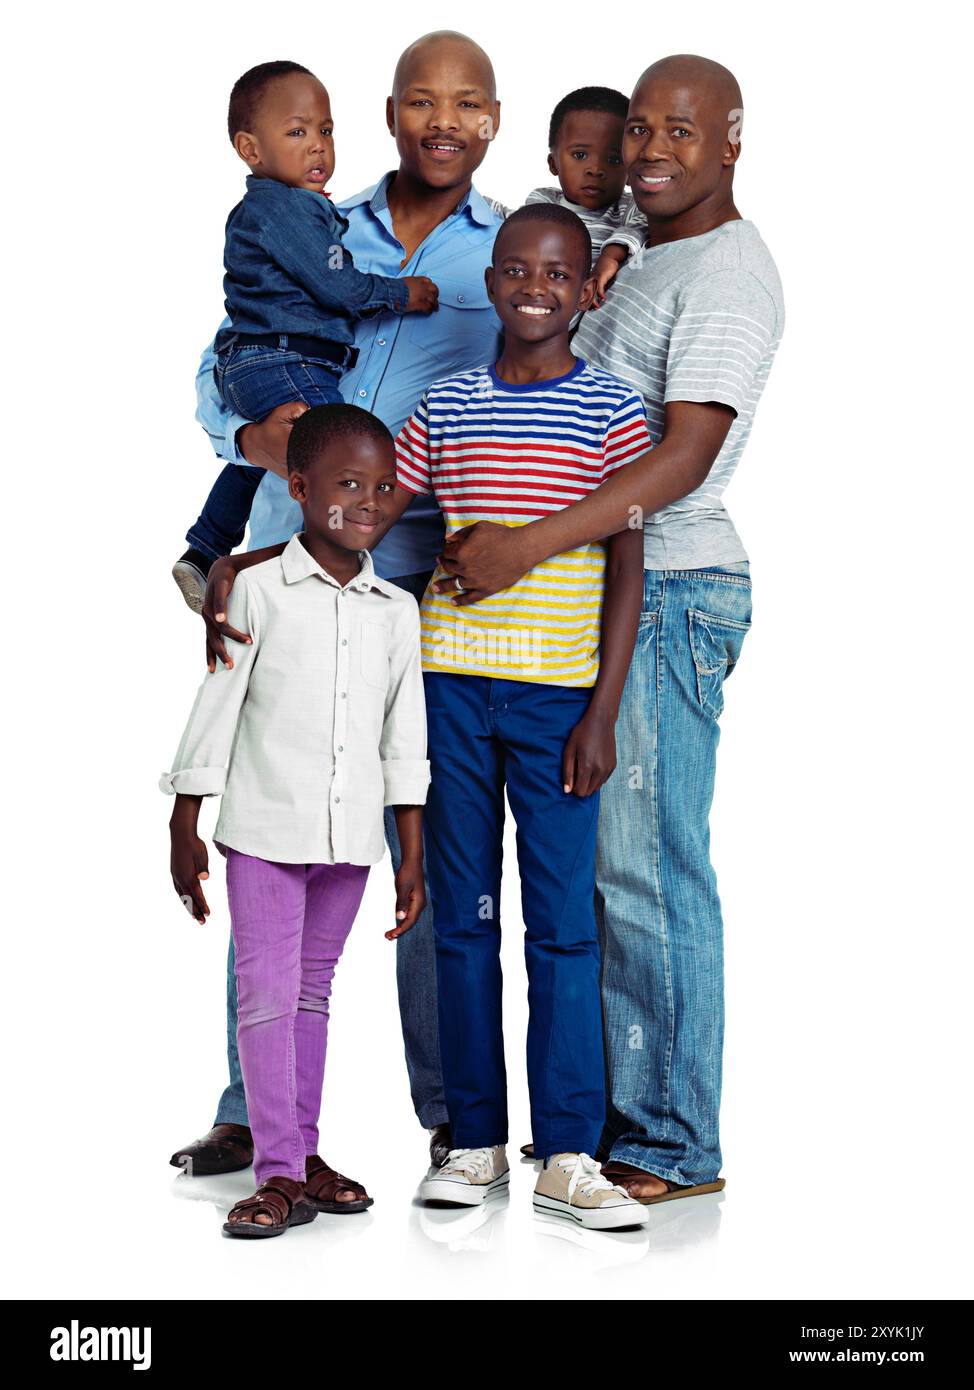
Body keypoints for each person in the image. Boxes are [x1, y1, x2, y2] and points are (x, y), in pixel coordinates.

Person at [432, 55, 785, 1205]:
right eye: (636, 128)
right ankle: (593, 1122)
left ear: (730, 140)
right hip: (568, 607)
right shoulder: (635, 241)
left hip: (667, 587)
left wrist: (525, 543)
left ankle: (673, 1141)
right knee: (591, 876)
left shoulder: (726, 273)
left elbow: (679, 458)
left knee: (645, 872)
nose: (650, 151)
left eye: (680, 130)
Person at [173, 30, 504, 1182]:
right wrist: (252, 436)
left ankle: (453, 1117)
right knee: (268, 829)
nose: (442, 121)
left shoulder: (508, 252)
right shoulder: (315, 216)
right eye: (421, 100)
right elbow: (219, 365)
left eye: (466, 103)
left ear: (491, 120)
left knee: (424, 834)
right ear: (391, 112)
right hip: (282, 561)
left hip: (418, 582)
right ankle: (252, 1112)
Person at [391, 204, 654, 1229]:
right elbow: (374, 511)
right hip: (448, 688)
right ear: (491, 280)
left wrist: (603, 710)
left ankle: (571, 1152)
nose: (533, 287)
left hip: (558, 703)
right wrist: (258, 558)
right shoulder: (447, 405)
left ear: (585, 289)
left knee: (562, 927)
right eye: (514, 269)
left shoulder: (612, 411)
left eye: (555, 273)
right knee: (460, 920)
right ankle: (474, 1142)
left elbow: (626, 565)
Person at [161, 405, 431, 1237]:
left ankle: (299, 1155)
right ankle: (278, 1171)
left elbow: (403, 734)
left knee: (312, 996)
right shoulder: (255, 589)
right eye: (348, 484)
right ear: (301, 488)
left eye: (383, 487)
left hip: (349, 841)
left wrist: (410, 852)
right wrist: (184, 819)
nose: (369, 502)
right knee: (267, 997)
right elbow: (219, 702)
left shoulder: (395, 610)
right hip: (264, 833)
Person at [171, 60, 437, 613]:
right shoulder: (286, 207)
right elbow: (338, 286)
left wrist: (250, 441)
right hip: (281, 358)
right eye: (297, 132)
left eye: (326, 130)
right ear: (250, 149)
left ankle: (205, 548)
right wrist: (401, 294)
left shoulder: (284, 207)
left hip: (265, 361)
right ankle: (327, 563)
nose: (318, 145)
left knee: (274, 453)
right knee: (341, 451)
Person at [485, 85, 647, 302]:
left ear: (630, 170)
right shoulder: (545, 202)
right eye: (580, 155)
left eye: (613, 159)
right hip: (538, 305)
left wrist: (611, 255)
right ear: (554, 164)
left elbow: (644, 224)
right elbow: (511, 221)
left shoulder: (628, 208)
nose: (595, 169)